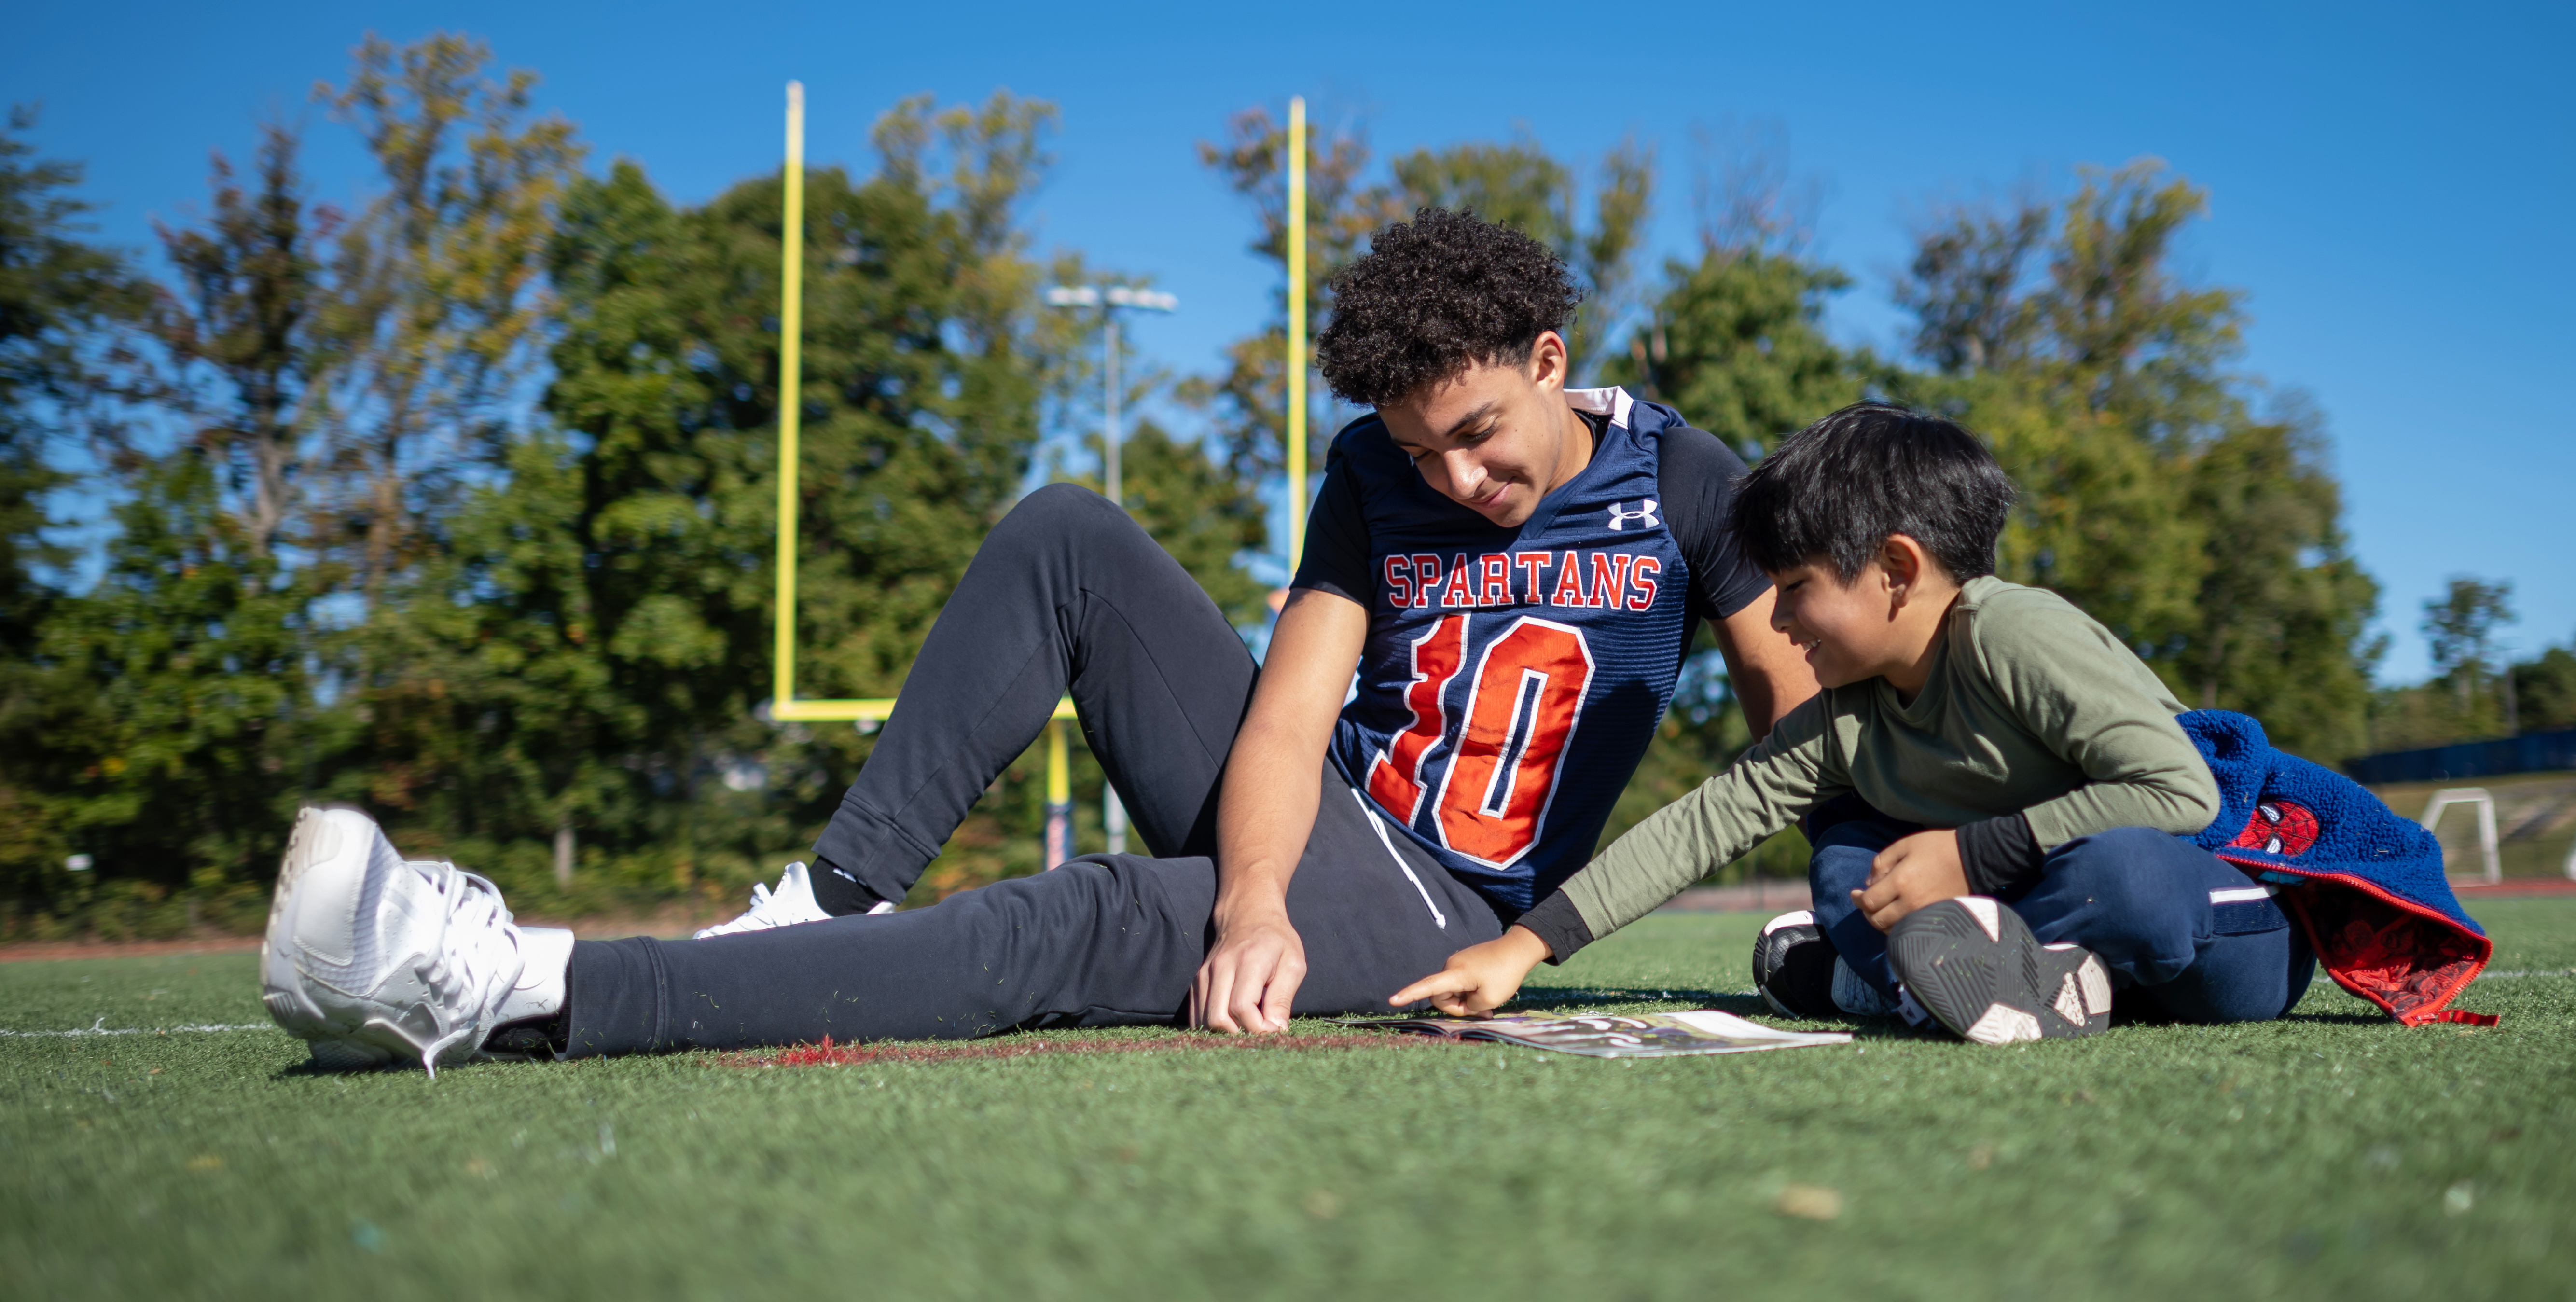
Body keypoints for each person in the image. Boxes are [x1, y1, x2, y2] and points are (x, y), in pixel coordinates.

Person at [256, 208, 1814, 1071]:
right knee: (1069, 531)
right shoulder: (1372, 473)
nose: (1454, 480)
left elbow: (1799, 717)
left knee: (1074, 919)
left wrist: (1854, 916)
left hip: (1447, 896)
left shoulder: (1683, 479)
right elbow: (1287, 715)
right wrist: (1253, 902)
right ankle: (817, 904)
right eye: (1424, 452)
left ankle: (504, 988)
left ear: (1550, 358)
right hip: (1318, 820)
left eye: (1478, 436)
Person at [1391, 403, 2317, 1046]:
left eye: (1795, 588)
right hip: (2055, 936)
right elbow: (1707, 821)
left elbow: (2181, 793)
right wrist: (1522, 948)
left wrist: (1972, 855)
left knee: (2120, 873)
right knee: (1848, 860)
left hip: (2217, 935)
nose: (1778, 619)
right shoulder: (1847, 714)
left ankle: (1883, 981)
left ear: (1897, 571)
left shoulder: (2013, 631)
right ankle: (1996, 988)